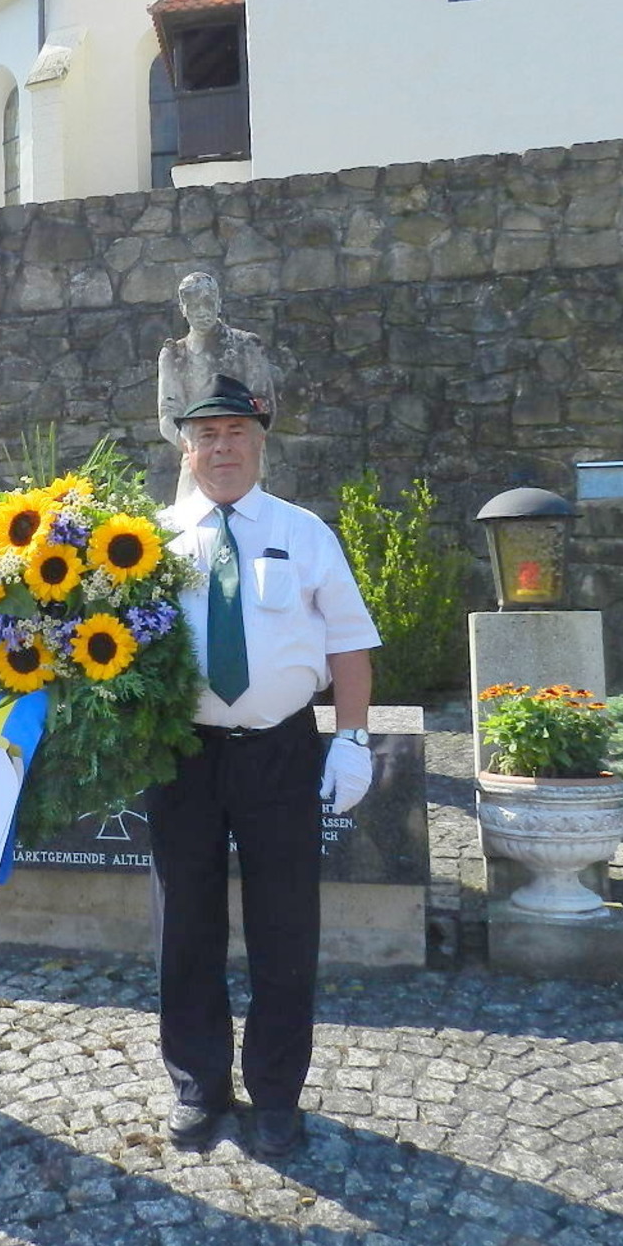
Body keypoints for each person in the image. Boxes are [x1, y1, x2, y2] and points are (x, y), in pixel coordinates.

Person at [147, 374, 380, 1159]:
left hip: (281, 748)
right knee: (187, 925)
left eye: (236, 433)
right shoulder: (148, 542)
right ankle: (198, 1086)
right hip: (182, 754)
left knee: (285, 926)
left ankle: (277, 1094)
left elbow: (349, 640)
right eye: (206, 435)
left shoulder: (303, 531)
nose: (222, 448)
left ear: (260, 442)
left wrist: (351, 739)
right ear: (186, 447)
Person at [158, 271, 279, 501]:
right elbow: (167, 414)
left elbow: (265, 407)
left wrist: (244, 442)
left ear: (219, 303)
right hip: (195, 456)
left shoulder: (246, 346)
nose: (202, 312)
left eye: (207, 303)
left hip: (243, 456)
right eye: (194, 305)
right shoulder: (173, 354)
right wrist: (193, 446)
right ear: (183, 309)